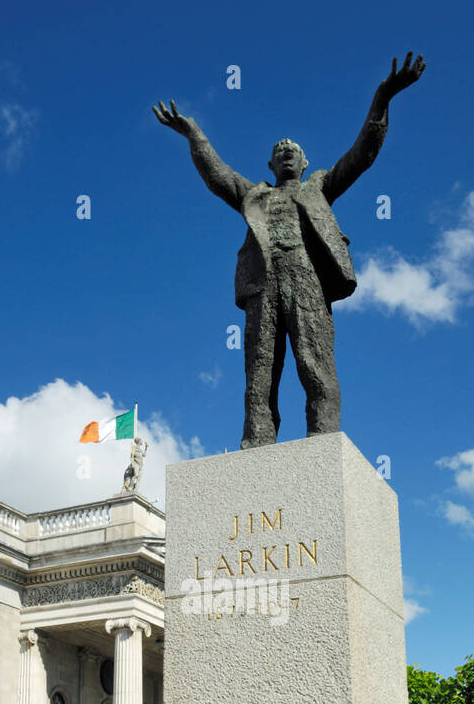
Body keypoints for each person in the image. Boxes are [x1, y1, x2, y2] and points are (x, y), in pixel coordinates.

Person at [153, 53, 426, 448]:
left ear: (304, 162)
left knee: (315, 364)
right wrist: (195, 135)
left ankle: (322, 438)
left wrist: (383, 97)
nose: (286, 152)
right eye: (279, 150)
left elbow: (362, 153)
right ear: (269, 163)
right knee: (259, 374)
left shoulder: (319, 187)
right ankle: (257, 441)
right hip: (262, 284)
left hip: (306, 278)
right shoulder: (255, 194)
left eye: (293, 150)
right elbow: (218, 175)